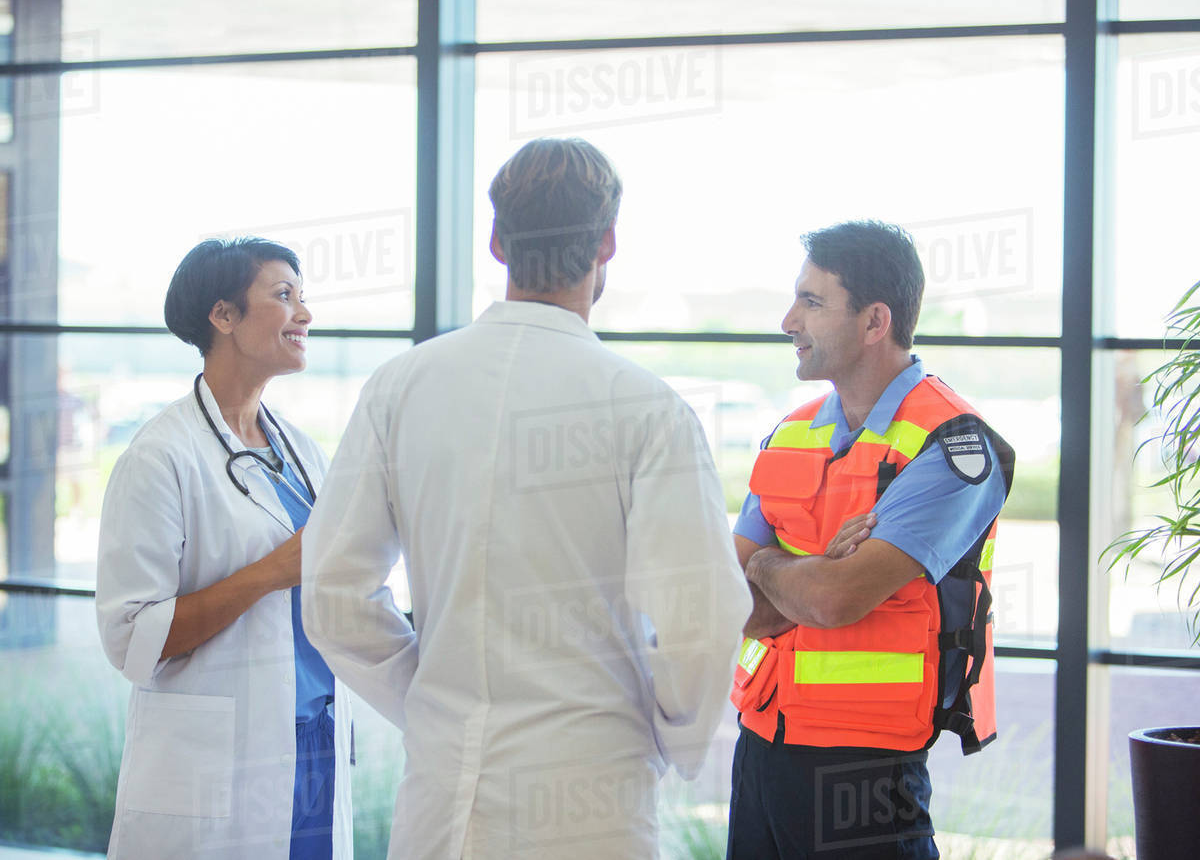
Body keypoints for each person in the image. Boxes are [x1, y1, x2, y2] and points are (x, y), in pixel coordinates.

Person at [302, 137, 752, 859]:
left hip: (443, 798)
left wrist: (431, 698)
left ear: (495, 240)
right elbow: (700, 615)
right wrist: (674, 738)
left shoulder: (399, 388)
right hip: (591, 798)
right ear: (607, 242)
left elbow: (330, 595)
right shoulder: (649, 409)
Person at [726, 221, 1015, 859]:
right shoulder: (790, 433)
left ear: (875, 321)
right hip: (760, 752)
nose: (787, 320)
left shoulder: (952, 445)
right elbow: (723, 601)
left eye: (812, 302)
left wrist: (775, 564)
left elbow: (834, 601)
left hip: (864, 777)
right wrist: (813, 569)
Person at [95, 238, 353, 859]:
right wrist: (271, 572)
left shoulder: (301, 452)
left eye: (304, 296)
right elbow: (131, 638)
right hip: (218, 757)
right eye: (284, 295)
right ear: (224, 316)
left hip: (312, 742)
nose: (305, 314)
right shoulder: (160, 457)